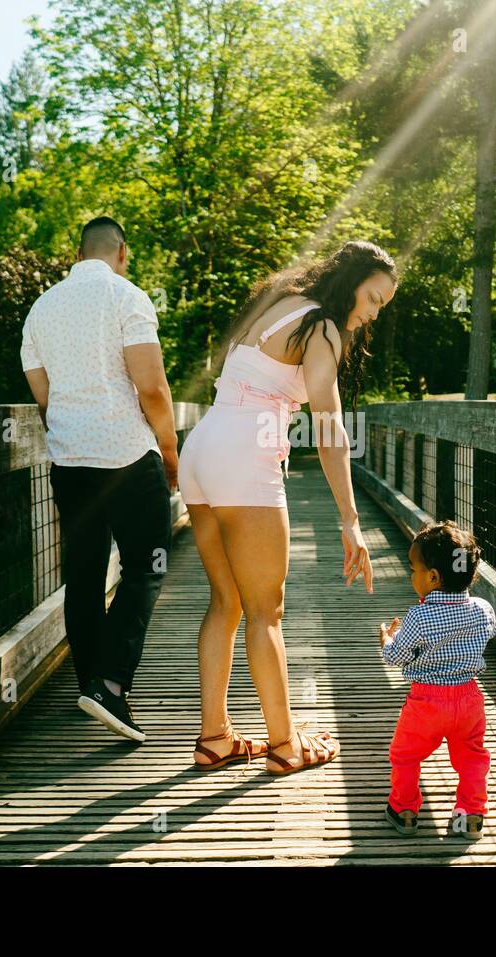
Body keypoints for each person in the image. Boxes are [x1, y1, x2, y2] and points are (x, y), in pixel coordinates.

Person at [178, 241, 397, 774]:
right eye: (371, 298)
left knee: (225, 602)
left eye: (381, 306)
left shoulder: (279, 302)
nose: (371, 313)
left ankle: (216, 738)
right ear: (349, 283)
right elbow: (328, 427)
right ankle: (285, 745)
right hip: (244, 456)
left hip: (203, 447)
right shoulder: (322, 327)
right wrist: (350, 519)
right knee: (265, 611)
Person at [20, 216, 178, 744]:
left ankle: (89, 682)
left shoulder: (42, 308)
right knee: (144, 568)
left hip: (70, 463)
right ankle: (111, 684)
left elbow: (43, 396)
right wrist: (171, 449)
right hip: (129, 457)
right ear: (122, 252)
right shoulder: (127, 298)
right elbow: (152, 388)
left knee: (84, 575)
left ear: (78, 251)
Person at [379, 520, 496, 839]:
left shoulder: (418, 617)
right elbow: (486, 635)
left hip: (426, 703)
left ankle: (404, 810)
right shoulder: (483, 610)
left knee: (405, 755)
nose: (410, 576)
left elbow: (395, 658)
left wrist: (388, 639)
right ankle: (471, 814)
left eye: (413, 569)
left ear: (433, 577)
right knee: (471, 757)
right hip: (469, 699)